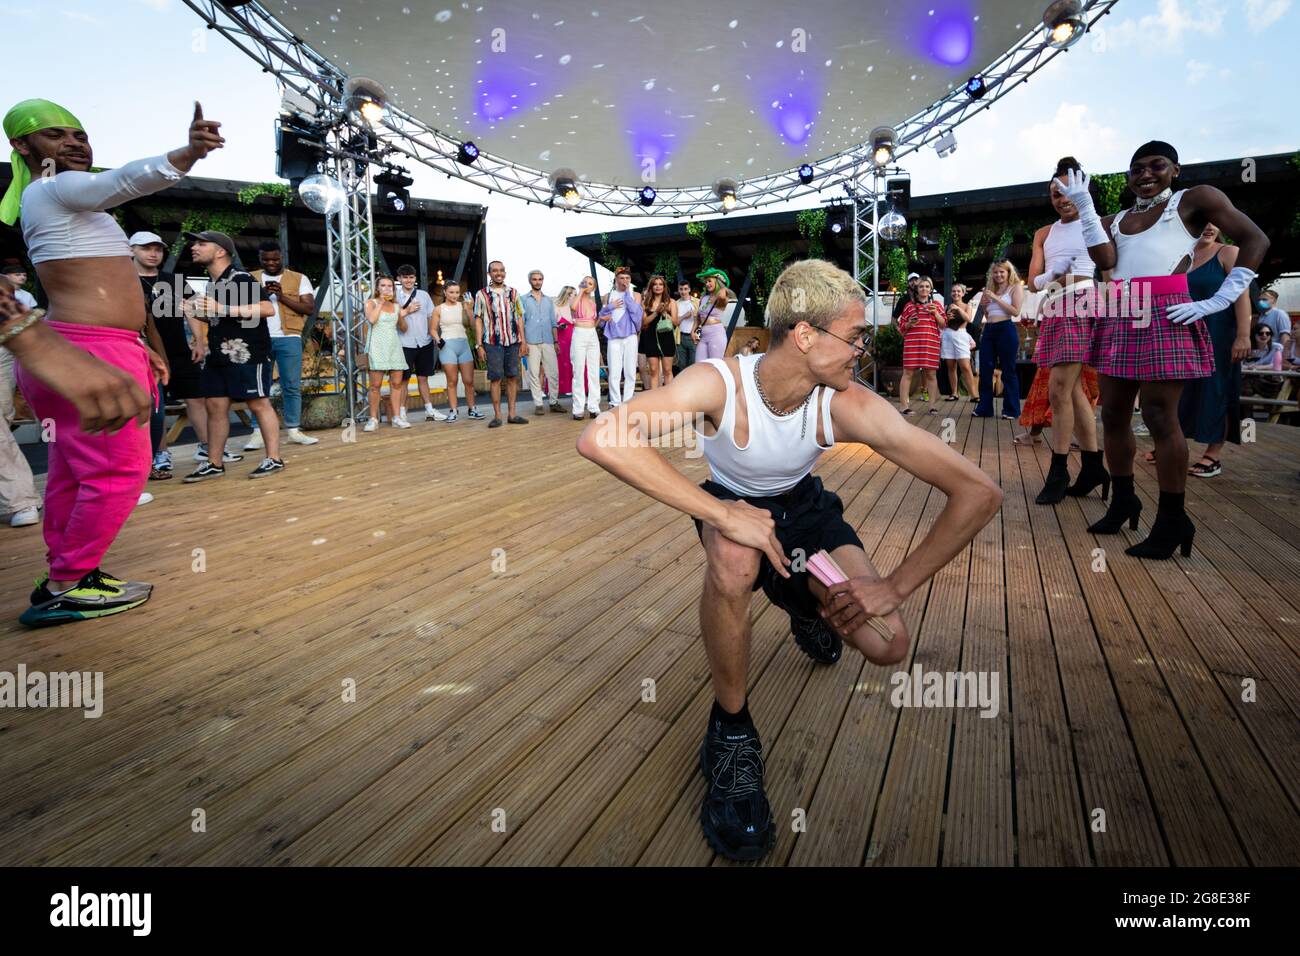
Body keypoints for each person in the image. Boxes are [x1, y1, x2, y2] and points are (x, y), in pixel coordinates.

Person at [577, 258, 1001, 862]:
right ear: (805, 335)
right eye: (855, 336)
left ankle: (803, 600)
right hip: (729, 503)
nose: (863, 348)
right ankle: (731, 729)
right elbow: (601, 436)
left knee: (888, 642)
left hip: (802, 509)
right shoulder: (717, 382)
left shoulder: (847, 403)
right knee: (734, 561)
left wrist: (896, 587)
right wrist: (722, 514)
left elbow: (979, 492)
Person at [3, 98, 222, 625]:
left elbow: (103, 283)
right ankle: (68, 583)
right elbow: (124, 180)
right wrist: (187, 154)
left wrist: (139, 343)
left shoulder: (55, 202)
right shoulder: (56, 187)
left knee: (72, 475)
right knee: (121, 471)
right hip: (86, 348)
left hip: (87, 342)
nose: (75, 142)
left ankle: (67, 572)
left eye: (79, 133)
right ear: (23, 147)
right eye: (57, 135)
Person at [1062, 140, 1269, 559]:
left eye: (1156, 166)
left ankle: (1173, 519)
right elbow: (1104, 259)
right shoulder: (1114, 219)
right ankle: (1124, 500)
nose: (1145, 174)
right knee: (1113, 413)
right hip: (1121, 308)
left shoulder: (1194, 200)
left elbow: (1255, 238)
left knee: (1159, 414)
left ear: (1176, 169)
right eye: (1136, 169)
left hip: (1167, 311)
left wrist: (1222, 298)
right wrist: (1085, 208)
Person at [1026, 157, 1107, 505]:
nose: (1061, 197)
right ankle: (1092, 466)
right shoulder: (1043, 233)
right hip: (1056, 308)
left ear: (1083, 189)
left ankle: (1058, 471)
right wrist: (1052, 277)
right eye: (1054, 192)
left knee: (1059, 390)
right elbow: (1032, 283)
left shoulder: (1098, 223)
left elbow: (1097, 272)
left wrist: (1055, 278)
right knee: (1072, 392)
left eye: (1068, 190)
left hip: (1083, 305)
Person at [180, 230, 285, 480]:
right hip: (219, 354)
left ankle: (274, 458)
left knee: (258, 403)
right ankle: (214, 462)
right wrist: (193, 310)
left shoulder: (241, 279)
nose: (194, 247)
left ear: (220, 251)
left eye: (202, 243)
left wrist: (221, 307)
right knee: (214, 404)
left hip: (248, 354)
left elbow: (267, 308)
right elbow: (219, 317)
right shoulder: (212, 283)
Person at [1176, 224, 1250, 479]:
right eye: (1202, 220)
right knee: (1178, 388)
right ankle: (1172, 445)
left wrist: (1243, 335)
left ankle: (1213, 455)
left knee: (1217, 388)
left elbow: (1242, 296)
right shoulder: (1179, 253)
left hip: (1219, 333)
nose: (1208, 226)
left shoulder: (1229, 252)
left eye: (1214, 220)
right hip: (1184, 334)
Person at [130, 231, 201, 480]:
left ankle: (208, 450)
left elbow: (191, 309)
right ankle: (160, 454)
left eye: (158, 249)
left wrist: (199, 339)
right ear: (132, 251)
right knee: (154, 406)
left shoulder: (173, 279)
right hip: (142, 352)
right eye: (146, 248)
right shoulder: (123, 281)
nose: (153, 253)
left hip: (179, 350)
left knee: (197, 398)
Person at [245, 240, 321, 449]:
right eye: (265, 259)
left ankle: (294, 430)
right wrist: (262, 293)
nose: (270, 262)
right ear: (259, 258)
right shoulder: (250, 278)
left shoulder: (298, 278)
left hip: (290, 338)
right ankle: (257, 432)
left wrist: (281, 297)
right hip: (259, 337)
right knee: (260, 387)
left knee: (291, 385)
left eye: (275, 259)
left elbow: (308, 308)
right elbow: (241, 307)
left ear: (282, 257)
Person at [473, 260, 529, 427]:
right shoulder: (481, 294)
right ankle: (497, 416)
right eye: (495, 270)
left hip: (512, 341)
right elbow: (478, 320)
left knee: (513, 377)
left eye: (502, 270)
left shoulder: (513, 293)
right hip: (492, 342)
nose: (499, 273)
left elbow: (519, 317)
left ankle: (512, 414)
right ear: (489, 274)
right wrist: (479, 345)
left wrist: (523, 341)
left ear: (505, 273)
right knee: (496, 378)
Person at [972, 259, 1025, 420]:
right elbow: (989, 314)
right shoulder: (990, 289)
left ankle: (1011, 410)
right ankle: (985, 408)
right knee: (986, 369)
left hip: (1006, 329)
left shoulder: (1015, 287)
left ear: (1008, 272)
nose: (998, 274)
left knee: (1008, 371)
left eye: (1002, 271)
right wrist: (984, 305)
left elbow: (1015, 311)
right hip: (989, 329)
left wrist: (995, 298)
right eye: (995, 272)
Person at [360, 275, 411, 432]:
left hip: (394, 346)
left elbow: (403, 328)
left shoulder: (396, 306)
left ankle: (396, 417)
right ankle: (373, 419)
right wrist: (381, 302)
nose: (387, 288)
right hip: (377, 346)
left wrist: (403, 316)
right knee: (375, 386)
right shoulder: (371, 303)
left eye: (390, 286)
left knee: (396, 384)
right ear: (378, 288)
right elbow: (372, 320)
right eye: (383, 285)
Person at [435, 279, 483, 423]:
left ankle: (472, 409)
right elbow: (432, 329)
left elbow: (474, 326)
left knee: (469, 381)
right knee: (452, 381)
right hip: (447, 346)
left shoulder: (464, 306)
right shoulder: (438, 309)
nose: (455, 295)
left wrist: (469, 309)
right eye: (451, 292)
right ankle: (453, 410)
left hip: (463, 344)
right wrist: (438, 339)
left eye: (457, 292)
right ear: (445, 292)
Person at [897, 276, 944, 416]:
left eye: (927, 286)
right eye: (921, 286)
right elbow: (901, 328)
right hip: (912, 344)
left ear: (930, 290)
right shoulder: (909, 306)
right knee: (908, 373)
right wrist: (909, 324)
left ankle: (932, 406)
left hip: (931, 343)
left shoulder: (937, 305)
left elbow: (943, 324)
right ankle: (904, 406)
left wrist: (935, 313)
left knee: (931, 374)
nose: (924, 289)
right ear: (916, 290)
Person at [598, 267, 641, 408]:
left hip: (630, 336)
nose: (625, 281)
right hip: (614, 336)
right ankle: (615, 402)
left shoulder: (635, 295)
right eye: (622, 278)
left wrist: (628, 295)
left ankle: (628, 401)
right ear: (616, 279)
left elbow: (637, 314)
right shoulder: (608, 295)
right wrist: (610, 307)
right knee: (614, 370)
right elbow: (601, 317)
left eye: (627, 278)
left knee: (630, 370)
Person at [522, 269, 562, 414]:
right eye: (535, 279)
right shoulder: (523, 299)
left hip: (548, 340)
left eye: (540, 279)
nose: (537, 282)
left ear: (542, 281)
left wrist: (556, 341)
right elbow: (521, 322)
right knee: (533, 373)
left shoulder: (548, 300)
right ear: (530, 281)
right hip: (531, 341)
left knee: (553, 373)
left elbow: (553, 322)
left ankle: (554, 402)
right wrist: (523, 342)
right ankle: (538, 404)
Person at [570, 275, 601, 419]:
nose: (587, 285)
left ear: (593, 287)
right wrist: (580, 291)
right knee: (578, 371)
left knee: (594, 372)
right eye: (585, 282)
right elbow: (573, 308)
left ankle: (594, 406)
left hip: (592, 334)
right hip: (579, 334)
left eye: (590, 283)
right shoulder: (576, 298)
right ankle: (578, 409)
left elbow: (594, 321)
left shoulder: (593, 303)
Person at [639, 274, 677, 389]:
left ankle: (670, 399)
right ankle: (655, 399)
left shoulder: (671, 302)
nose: (658, 286)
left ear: (664, 287)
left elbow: (675, 322)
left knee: (667, 370)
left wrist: (664, 312)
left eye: (660, 284)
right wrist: (656, 312)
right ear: (651, 287)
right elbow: (644, 323)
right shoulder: (645, 303)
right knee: (654, 371)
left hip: (666, 338)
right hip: (651, 338)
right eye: (655, 284)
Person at [692, 268, 730, 362]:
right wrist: (692, 331)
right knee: (699, 365)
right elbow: (698, 317)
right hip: (703, 337)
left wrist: (721, 279)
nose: (707, 284)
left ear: (717, 281)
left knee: (715, 365)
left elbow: (722, 295)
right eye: (706, 282)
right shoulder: (704, 298)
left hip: (716, 335)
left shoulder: (722, 297)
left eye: (710, 281)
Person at [940, 310, 978, 401]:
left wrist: (957, 308)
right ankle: (954, 393)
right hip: (948, 334)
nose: (956, 294)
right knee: (951, 367)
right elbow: (942, 323)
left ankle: (974, 395)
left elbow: (968, 319)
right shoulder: (947, 307)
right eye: (953, 293)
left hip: (961, 334)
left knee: (966, 367)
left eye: (959, 293)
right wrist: (946, 317)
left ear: (962, 294)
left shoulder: (966, 306)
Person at [554, 284, 576, 400]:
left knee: (575, 362)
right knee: (563, 362)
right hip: (563, 337)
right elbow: (553, 323)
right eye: (574, 294)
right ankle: (564, 388)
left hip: (576, 337)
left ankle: (575, 387)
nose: (576, 296)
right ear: (567, 295)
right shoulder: (557, 306)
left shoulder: (576, 307)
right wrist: (559, 325)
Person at [675, 279, 698, 370]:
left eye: (685, 289)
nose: (683, 291)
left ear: (689, 290)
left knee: (694, 364)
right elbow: (675, 322)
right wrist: (685, 316)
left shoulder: (697, 302)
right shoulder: (676, 304)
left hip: (693, 337)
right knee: (682, 365)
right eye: (681, 289)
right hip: (680, 337)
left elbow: (700, 320)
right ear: (678, 290)